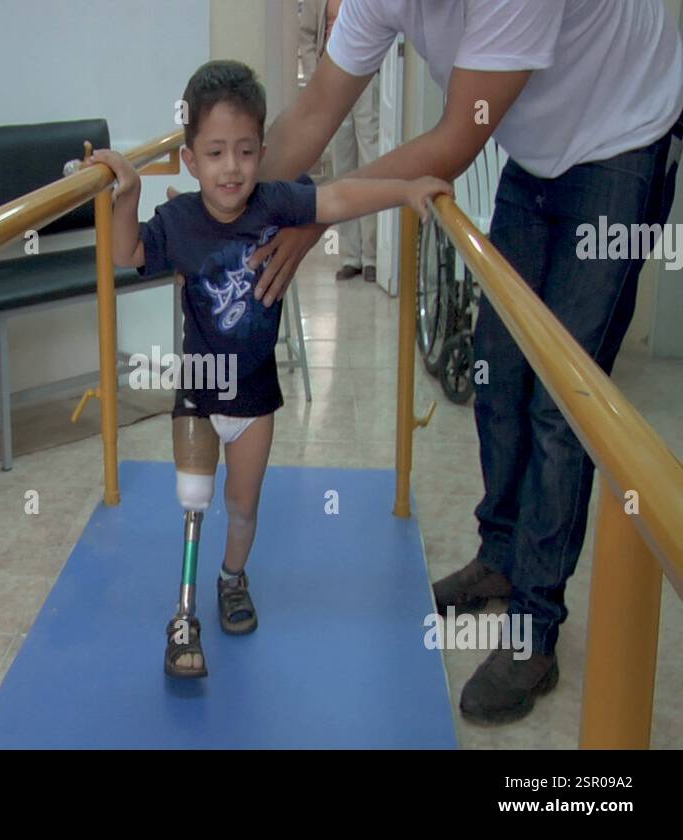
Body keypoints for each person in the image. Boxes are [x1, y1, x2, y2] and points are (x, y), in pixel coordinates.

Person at [246, 0, 683, 722]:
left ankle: (534, 627)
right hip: (536, 152)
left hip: (622, 139)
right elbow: (316, 109)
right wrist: (240, 205)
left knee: (561, 402)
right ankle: (501, 556)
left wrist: (317, 210)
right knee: (497, 371)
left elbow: (454, 143)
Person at [86, 60, 450, 678]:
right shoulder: (178, 223)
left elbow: (337, 197)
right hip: (201, 393)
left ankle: (233, 579)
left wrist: (406, 188)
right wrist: (128, 195)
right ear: (191, 160)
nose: (233, 168)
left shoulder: (276, 203)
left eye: (247, 151)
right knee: (194, 499)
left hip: (256, 398)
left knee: (245, 506)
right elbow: (127, 253)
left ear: (261, 152)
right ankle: (183, 615)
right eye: (217, 152)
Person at [300, 0, 381, 282]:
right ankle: (351, 256)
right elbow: (308, 38)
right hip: (331, 80)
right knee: (343, 164)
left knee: (370, 160)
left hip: (367, 75)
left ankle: (373, 256)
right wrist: (316, 76)